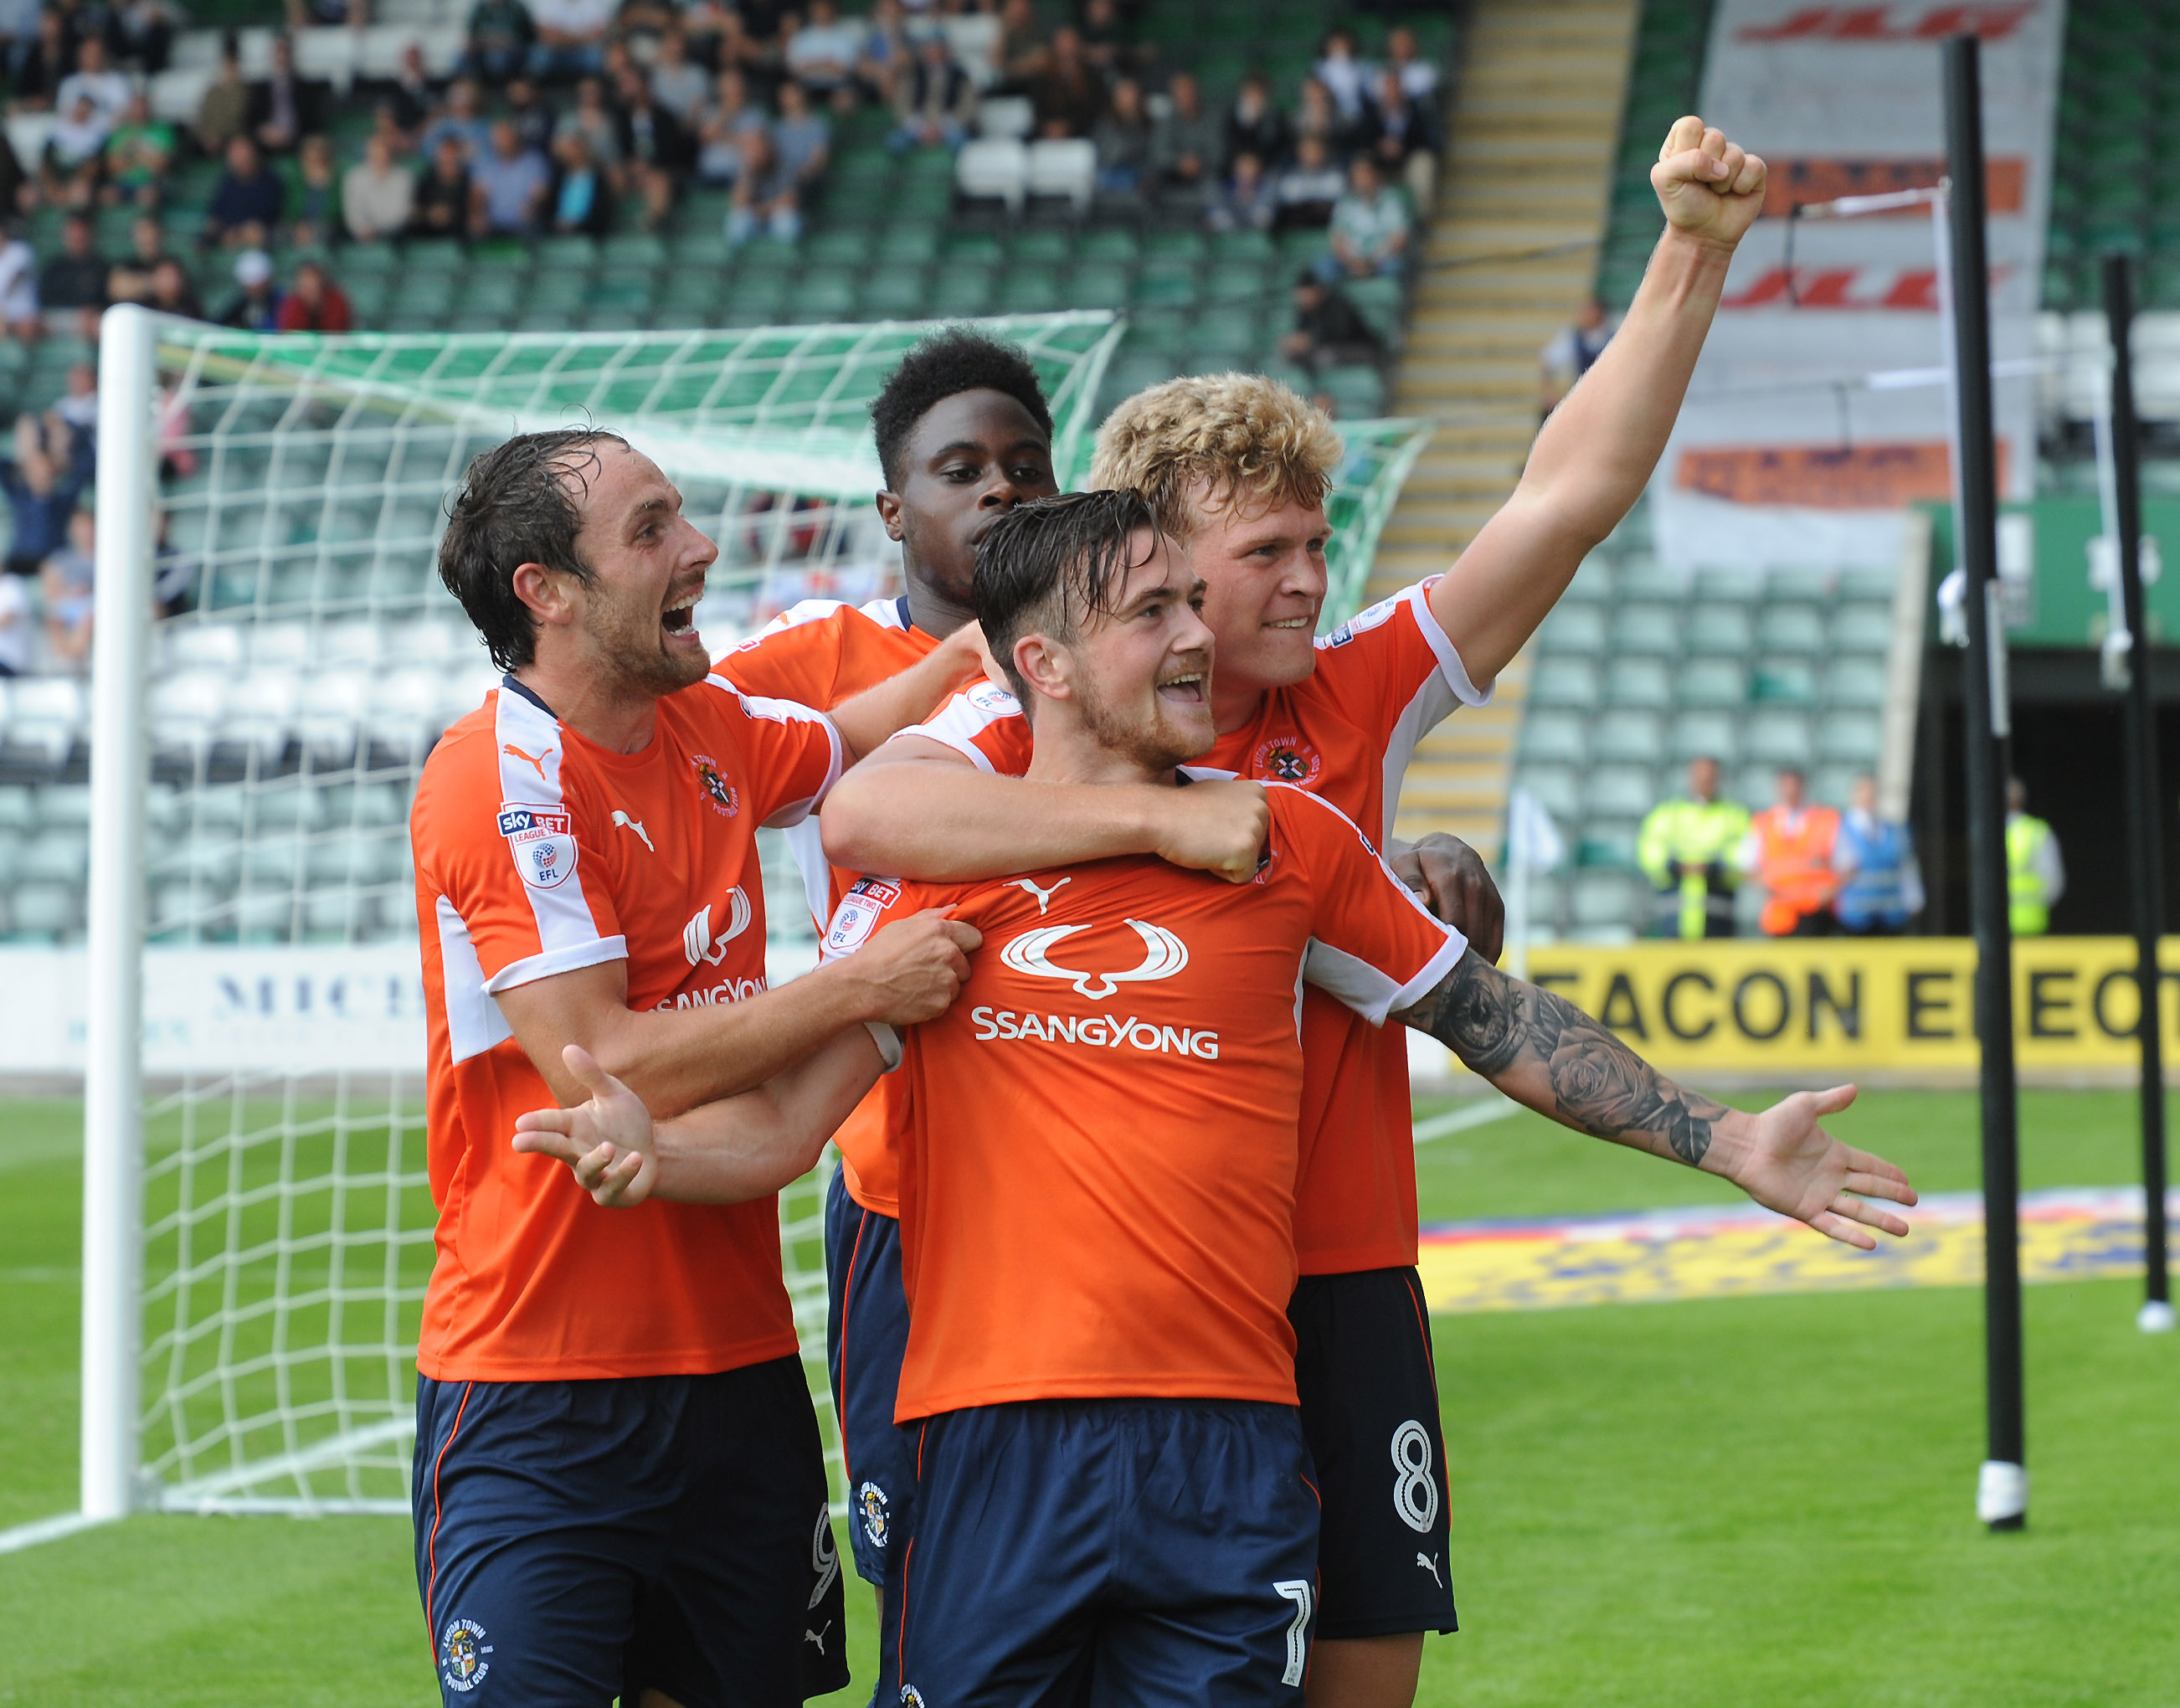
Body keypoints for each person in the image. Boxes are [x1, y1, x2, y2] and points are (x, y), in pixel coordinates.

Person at [532, 489, 1914, 1705]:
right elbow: (780, 1130)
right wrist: (645, 1142)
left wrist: (1729, 1139)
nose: (1197, 634)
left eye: (1193, 599)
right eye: (1151, 612)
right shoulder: (933, 880)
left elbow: (1488, 1021)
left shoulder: (1289, 841)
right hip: (989, 1442)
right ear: (1045, 668)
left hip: (1228, 1451)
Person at [824, 116, 1776, 1708]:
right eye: (1256, 552)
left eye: (1312, 545)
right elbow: (870, 809)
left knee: (1352, 1664)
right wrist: (1168, 826)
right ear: (1140, 568)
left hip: (1318, 1258)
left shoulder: (1355, 699)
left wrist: (1687, 248)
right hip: (1002, 1281)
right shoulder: (1014, 705)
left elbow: (1564, 497)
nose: (1299, 584)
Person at [405, 425, 979, 1707]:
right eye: (653, 528)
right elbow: (606, 1063)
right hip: (537, 1393)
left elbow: (841, 737)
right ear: (544, 592)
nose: (701, 550)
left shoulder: (711, 723)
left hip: (739, 1382)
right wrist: (860, 987)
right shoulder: (501, 780)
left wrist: (965, 655)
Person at [1638, 754, 1749, 939]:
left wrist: (1713, 867)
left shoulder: (1735, 815)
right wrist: (1674, 866)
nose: (1705, 781)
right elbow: (1651, 852)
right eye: (1700, 775)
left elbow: (1744, 855)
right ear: (1690, 777)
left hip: (1718, 916)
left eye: (1710, 776)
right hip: (1673, 917)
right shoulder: (1667, 813)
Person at [1740, 767, 1841, 937]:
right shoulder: (1764, 822)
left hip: (1816, 911)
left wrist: (1829, 890)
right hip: (1780, 914)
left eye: (1795, 785)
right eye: (1786, 785)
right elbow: (1746, 867)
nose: (1791, 791)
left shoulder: (1826, 820)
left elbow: (1847, 865)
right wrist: (1770, 887)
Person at [1833, 773, 1923, 935]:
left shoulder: (1896, 830)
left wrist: (1914, 900)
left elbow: (1906, 867)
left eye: (1873, 791)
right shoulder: (1840, 829)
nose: (1868, 796)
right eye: (1863, 791)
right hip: (1856, 919)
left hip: (1891, 916)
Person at [1360, 66, 1438, 211]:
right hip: (1379, 162)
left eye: (1395, 86)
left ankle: (1422, 216)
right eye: (1388, 87)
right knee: (1362, 161)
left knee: (1424, 163)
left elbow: (1424, 141)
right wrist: (1381, 146)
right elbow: (1362, 139)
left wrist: (1402, 147)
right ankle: (1367, 213)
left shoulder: (1415, 111)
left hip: (1407, 160)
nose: (1392, 92)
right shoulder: (1370, 112)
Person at [1323, 155, 1410, 280]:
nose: (1361, 179)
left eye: (1365, 173)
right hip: (1350, 261)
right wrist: (1353, 262)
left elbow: (1400, 239)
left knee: (1395, 266)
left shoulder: (1392, 199)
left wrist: (1372, 261)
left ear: (1376, 174)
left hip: (1381, 260)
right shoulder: (1346, 201)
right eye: (1357, 174)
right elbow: (1337, 238)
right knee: (1325, 266)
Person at [1280, 270, 1381, 373]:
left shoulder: (1337, 304)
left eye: (1305, 295)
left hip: (1359, 348)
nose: (1303, 300)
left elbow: (1340, 334)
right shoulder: (1305, 309)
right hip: (1327, 349)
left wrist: (1310, 340)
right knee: (1291, 356)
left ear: (1316, 290)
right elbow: (1301, 332)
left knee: (1324, 357)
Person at [888, 31, 972, 154]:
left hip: (949, 126)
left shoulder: (960, 75)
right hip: (918, 125)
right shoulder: (912, 74)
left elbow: (968, 107)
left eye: (939, 49)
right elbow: (902, 105)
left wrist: (943, 126)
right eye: (932, 49)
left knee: (960, 142)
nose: (936, 53)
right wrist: (920, 127)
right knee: (895, 142)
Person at [468, 117, 550, 236]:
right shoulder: (486, 163)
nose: (503, 143)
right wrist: (476, 214)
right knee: (474, 228)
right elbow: (478, 194)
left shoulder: (534, 160)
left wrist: (532, 204)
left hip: (524, 223)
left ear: (516, 138)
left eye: (507, 138)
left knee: (531, 225)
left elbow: (540, 192)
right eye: (499, 139)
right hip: (492, 224)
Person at [250, 33, 327, 154]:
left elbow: (312, 121)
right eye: (278, 52)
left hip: (297, 141)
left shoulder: (305, 88)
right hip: (265, 143)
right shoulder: (260, 89)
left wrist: (289, 133)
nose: (282, 57)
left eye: (285, 52)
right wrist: (265, 131)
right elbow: (251, 120)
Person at [1149, 69, 1219, 204]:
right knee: (1152, 180)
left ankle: (1218, 220)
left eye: (1188, 90)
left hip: (1205, 172)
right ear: (1173, 94)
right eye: (1180, 91)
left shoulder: (1212, 118)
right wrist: (1180, 162)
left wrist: (1198, 162)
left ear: (1196, 92)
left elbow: (1218, 152)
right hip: (1173, 172)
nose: (1185, 95)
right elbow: (1159, 152)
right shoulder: (1166, 120)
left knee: (1215, 183)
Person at [40, 501, 95, 671]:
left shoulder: (108, 556)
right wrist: (72, 593)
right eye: (80, 526)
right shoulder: (60, 559)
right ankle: (66, 662)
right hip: (69, 605)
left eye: (88, 525)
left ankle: (72, 660)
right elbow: (51, 595)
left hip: (94, 605)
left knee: (87, 617)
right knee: (54, 619)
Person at [205, 136, 286, 250]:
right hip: (228, 232)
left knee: (254, 232)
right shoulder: (227, 182)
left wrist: (239, 231)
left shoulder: (270, 181)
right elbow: (217, 211)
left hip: (258, 234)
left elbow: (268, 214)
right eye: (234, 151)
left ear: (253, 152)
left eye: (241, 150)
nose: (237, 156)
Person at [2006, 776, 2064, 935]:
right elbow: (2054, 882)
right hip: (2034, 924)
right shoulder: (2038, 832)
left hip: (1996, 928)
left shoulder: (1987, 834)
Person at [1026, 24, 1103, 139]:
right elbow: (1038, 107)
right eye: (1063, 41)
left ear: (1079, 44)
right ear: (1055, 45)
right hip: (1047, 133)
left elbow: (1094, 109)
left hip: (1082, 133)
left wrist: (1069, 127)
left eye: (1071, 41)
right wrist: (1049, 127)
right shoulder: (1043, 76)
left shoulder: (1091, 76)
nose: (1067, 46)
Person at [100, 89, 175, 206]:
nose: (140, 111)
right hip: (122, 182)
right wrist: (146, 157)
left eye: (143, 107)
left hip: (151, 183)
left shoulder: (162, 131)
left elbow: (161, 165)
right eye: (136, 107)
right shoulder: (120, 132)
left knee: (147, 196)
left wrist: (134, 153)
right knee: (107, 195)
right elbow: (114, 166)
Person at [39, 213, 107, 340]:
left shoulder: (101, 265)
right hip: (61, 319)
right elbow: (45, 300)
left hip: (93, 319)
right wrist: (75, 314)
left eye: (81, 233)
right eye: (73, 233)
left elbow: (107, 298)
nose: (77, 237)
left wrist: (92, 310)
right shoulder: (54, 267)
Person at [1540, 297, 1613, 416]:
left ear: (1600, 313)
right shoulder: (1572, 338)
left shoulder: (1615, 338)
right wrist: (1549, 392)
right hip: (1581, 397)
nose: (1583, 315)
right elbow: (1548, 361)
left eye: (1589, 312)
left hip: (1608, 397)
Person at [695, 67, 764, 185]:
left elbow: (752, 142)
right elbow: (705, 137)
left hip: (741, 173)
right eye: (729, 85)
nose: (734, 89)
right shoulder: (711, 110)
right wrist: (728, 112)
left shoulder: (754, 112)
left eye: (737, 84)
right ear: (720, 88)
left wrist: (720, 137)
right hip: (711, 170)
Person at [343, 132, 415, 241]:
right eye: (374, 151)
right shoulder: (354, 177)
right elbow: (353, 211)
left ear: (390, 153)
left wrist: (377, 230)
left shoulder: (404, 177)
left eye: (383, 151)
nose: (379, 156)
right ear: (368, 153)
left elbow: (401, 213)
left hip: (394, 234)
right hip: (361, 234)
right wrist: (363, 229)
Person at [194, 34, 251, 157]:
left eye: (232, 62)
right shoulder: (212, 91)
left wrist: (219, 135)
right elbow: (201, 118)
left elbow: (239, 121)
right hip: (209, 139)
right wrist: (207, 134)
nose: (229, 66)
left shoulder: (245, 91)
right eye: (227, 61)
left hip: (230, 139)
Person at [526, 0, 611, 82]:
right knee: (539, 55)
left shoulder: (594, 2)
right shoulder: (548, 2)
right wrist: (582, 37)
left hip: (583, 51)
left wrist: (561, 36)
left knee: (596, 56)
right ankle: (532, 88)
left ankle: (590, 89)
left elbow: (599, 33)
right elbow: (546, 34)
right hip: (555, 51)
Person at [1274, 133, 1345, 229]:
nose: (1312, 155)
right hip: (1297, 232)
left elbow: (1338, 207)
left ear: (1324, 152)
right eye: (1307, 151)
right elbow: (1289, 204)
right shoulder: (1290, 179)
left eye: (1316, 150)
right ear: (1300, 153)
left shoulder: (1335, 177)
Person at [1225, 69, 1290, 170]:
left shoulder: (1277, 118)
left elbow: (1281, 148)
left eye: (1260, 93)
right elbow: (1230, 149)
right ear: (1243, 94)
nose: (1256, 98)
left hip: (1270, 170)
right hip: (1241, 170)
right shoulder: (1231, 119)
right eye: (1251, 93)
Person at [412, 135, 474, 237]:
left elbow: (470, 208)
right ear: (437, 155)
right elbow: (416, 211)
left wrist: (449, 214)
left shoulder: (467, 181)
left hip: (458, 230)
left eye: (452, 153)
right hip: (427, 228)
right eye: (445, 153)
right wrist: (431, 214)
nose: (448, 157)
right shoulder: (425, 180)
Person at [460, 0, 536, 83]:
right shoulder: (480, 8)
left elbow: (521, 37)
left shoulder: (516, 8)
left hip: (512, 52)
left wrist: (492, 41)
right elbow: (472, 37)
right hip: (484, 50)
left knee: (496, 59)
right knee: (462, 58)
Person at [1206, 147, 1278, 234]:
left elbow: (1263, 220)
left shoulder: (1267, 188)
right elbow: (1218, 217)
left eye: (1250, 166)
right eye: (1242, 166)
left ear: (1258, 169)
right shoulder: (1223, 189)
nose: (1246, 171)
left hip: (1256, 238)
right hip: (1229, 237)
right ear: (1235, 168)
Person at [290, 132, 340, 247]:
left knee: (323, 232)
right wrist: (297, 225)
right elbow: (290, 208)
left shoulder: (336, 180)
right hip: (299, 225)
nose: (315, 158)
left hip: (325, 225)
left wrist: (311, 228)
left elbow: (335, 211)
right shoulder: (297, 180)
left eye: (319, 154)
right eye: (311, 155)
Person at [275, 258, 352, 331]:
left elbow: (337, 335)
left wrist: (319, 306)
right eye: (303, 281)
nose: (308, 286)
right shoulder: (291, 305)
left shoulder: (336, 302)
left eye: (312, 280)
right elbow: (291, 335)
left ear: (321, 282)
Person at [221, 248, 282, 330]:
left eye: (259, 286)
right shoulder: (238, 306)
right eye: (249, 287)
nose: (254, 290)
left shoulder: (282, 304)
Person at [0, 227, 39, 342]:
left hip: (23, 313)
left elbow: (17, 277)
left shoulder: (19, 250)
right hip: (4, 316)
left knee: (27, 329)